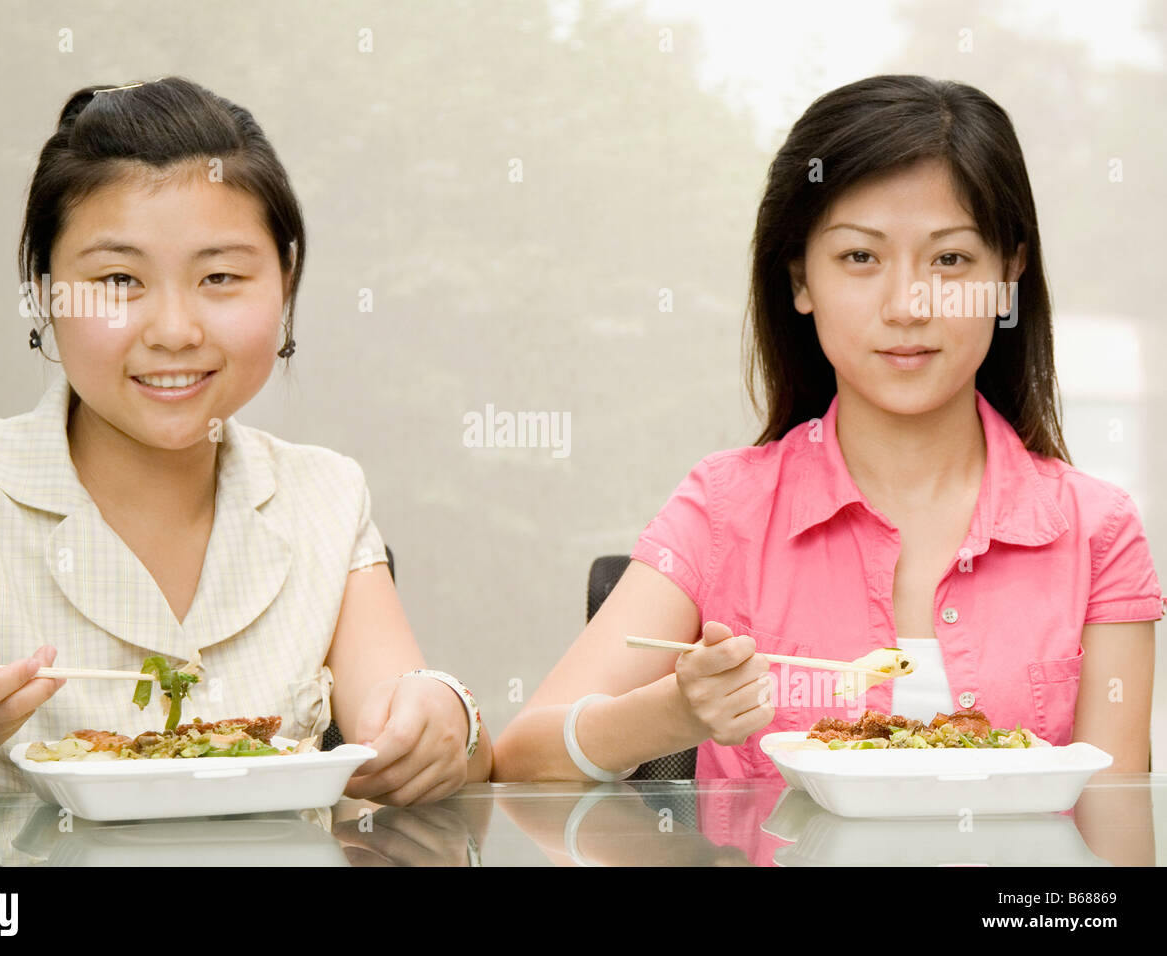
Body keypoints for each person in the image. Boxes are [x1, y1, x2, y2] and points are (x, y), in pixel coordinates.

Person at [493, 74, 1162, 786]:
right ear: (800, 281)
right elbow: (523, 760)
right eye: (860, 257)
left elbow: (1112, 834)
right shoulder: (724, 509)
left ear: (1008, 276)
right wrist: (675, 714)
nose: (907, 306)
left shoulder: (1098, 533)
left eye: (950, 260)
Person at [0, 77, 490, 802]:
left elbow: (414, 727)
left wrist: (447, 719)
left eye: (220, 276)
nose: (173, 331)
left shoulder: (325, 493)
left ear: (285, 283)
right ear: (44, 289)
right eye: (119, 279)